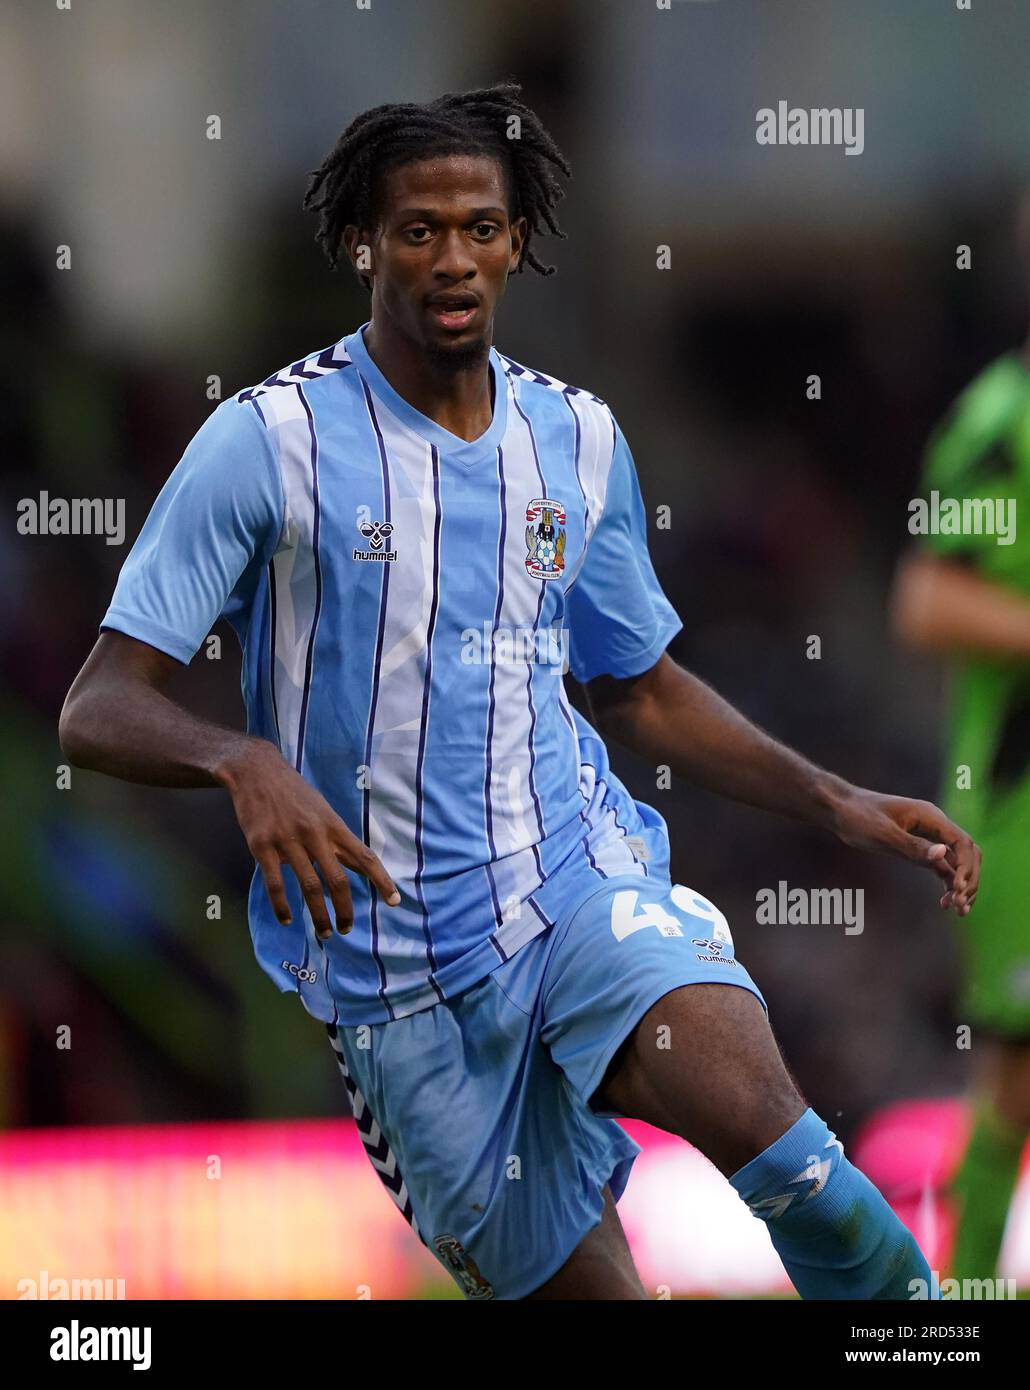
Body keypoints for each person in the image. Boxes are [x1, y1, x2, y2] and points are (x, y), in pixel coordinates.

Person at [60, 82, 977, 1300]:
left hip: (572, 886)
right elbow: (98, 703)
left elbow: (639, 688)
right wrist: (243, 760)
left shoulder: (578, 441)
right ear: (361, 243)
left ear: (519, 241)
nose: (454, 258)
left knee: (795, 1158)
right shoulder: (263, 443)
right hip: (397, 986)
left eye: (481, 228)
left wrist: (835, 801)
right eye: (420, 229)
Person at [891, 209, 1030, 1283]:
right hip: (1021, 802)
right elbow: (928, 597)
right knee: (1019, 1076)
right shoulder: (1001, 418)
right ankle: (966, 1300)